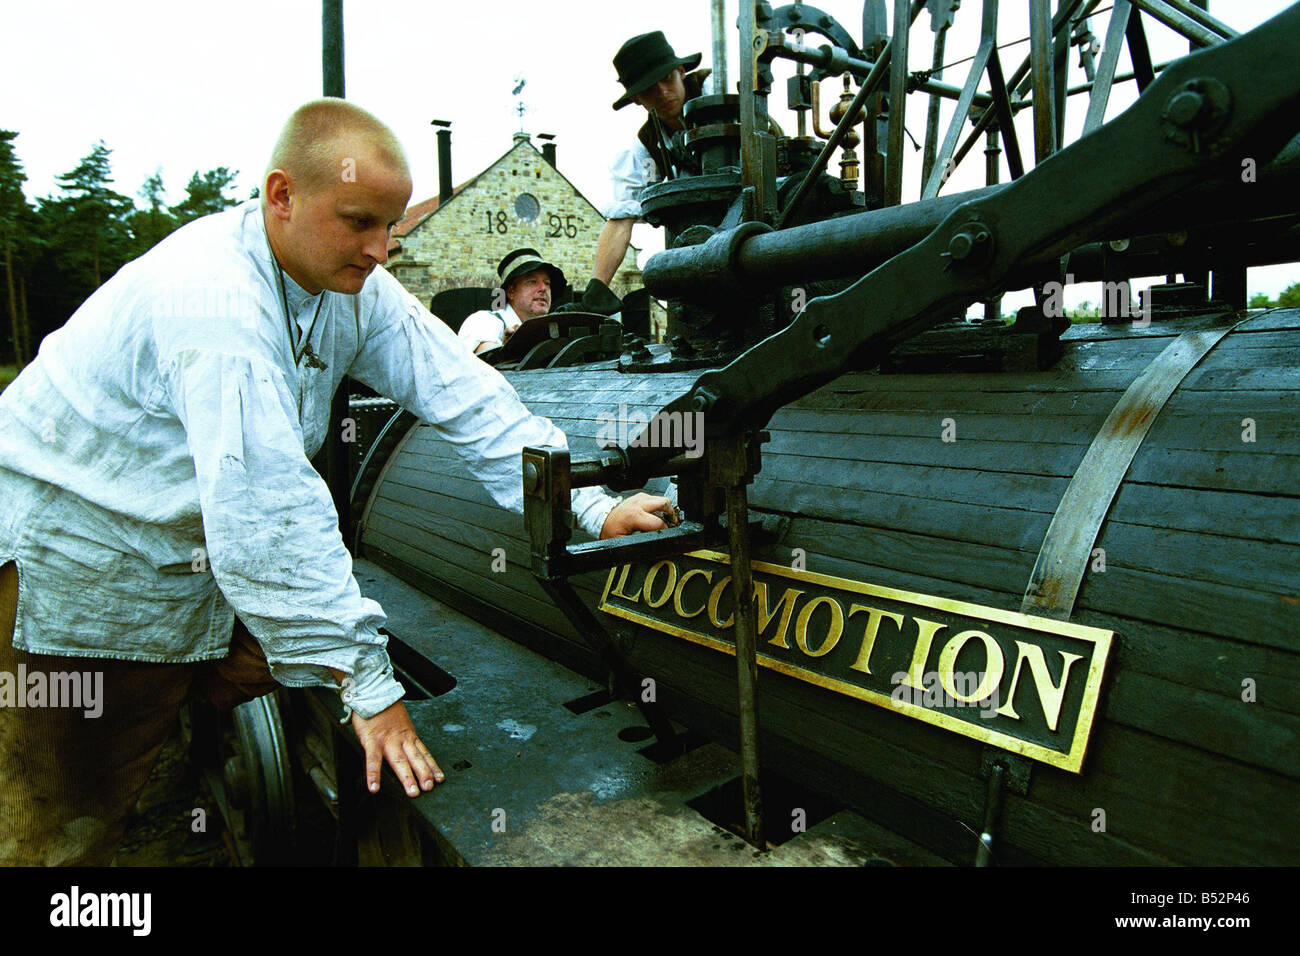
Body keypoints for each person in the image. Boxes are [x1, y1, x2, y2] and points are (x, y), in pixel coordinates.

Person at [0, 98, 675, 866]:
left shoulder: (350, 287)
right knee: (61, 825)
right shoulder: (216, 301)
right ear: (281, 196)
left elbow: (467, 393)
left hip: (187, 551)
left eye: (390, 224)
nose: (382, 248)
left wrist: (588, 503)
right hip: (78, 572)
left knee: (241, 671)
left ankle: (181, 737)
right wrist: (369, 687)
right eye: (360, 221)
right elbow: (266, 509)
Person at [593, 32, 710, 286]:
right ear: (637, 99)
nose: (663, 93)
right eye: (649, 89)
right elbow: (622, 217)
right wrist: (597, 287)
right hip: (705, 245)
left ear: (681, 71)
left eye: (667, 79)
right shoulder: (645, 148)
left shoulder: (717, 90)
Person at [457, 247, 564, 355]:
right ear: (511, 292)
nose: (543, 288)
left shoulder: (552, 334)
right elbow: (485, 362)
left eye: (547, 283)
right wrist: (506, 350)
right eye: (532, 281)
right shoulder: (483, 321)